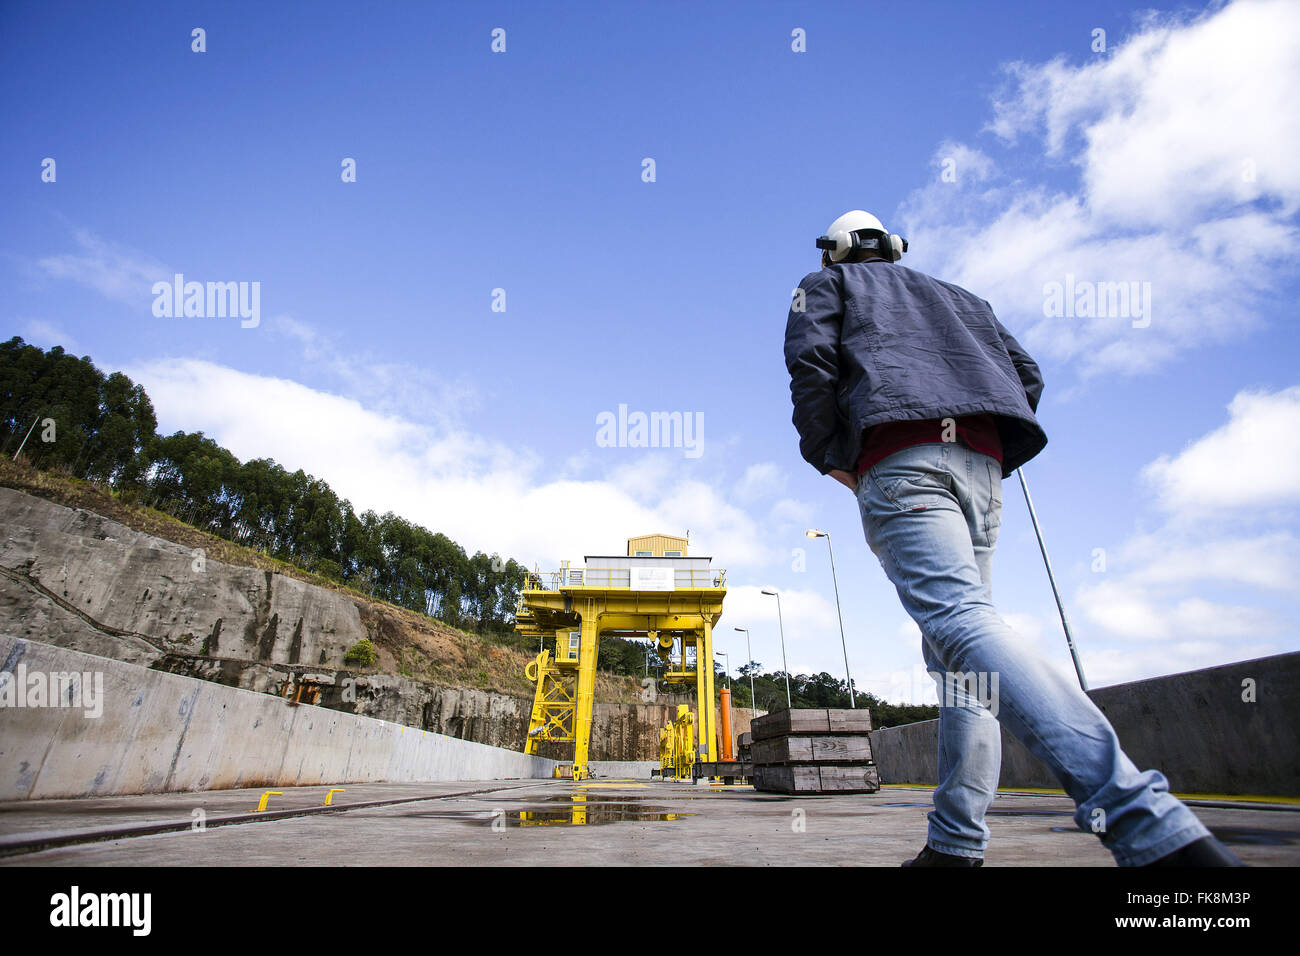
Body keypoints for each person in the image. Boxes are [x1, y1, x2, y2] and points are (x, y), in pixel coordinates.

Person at [782, 209, 1242, 867]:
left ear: (836, 252)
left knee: (963, 627)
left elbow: (811, 363)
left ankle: (1153, 829)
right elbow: (1026, 376)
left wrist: (834, 456)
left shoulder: (824, 286)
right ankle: (955, 845)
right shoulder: (965, 299)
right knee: (963, 667)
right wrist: (984, 436)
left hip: (900, 458)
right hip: (982, 468)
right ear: (894, 248)